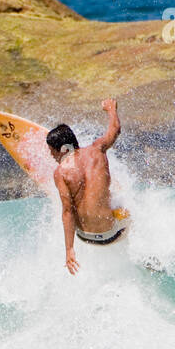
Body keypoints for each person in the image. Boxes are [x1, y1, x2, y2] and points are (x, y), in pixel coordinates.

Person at [48, 99, 129, 275]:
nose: (50, 155)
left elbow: (67, 212)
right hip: (114, 233)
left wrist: (69, 250)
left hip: (86, 238)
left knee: (68, 203)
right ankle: (145, 254)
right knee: (130, 206)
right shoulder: (98, 149)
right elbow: (115, 130)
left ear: (63, 149)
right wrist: (111, 109)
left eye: (52, 151)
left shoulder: (60, 173)